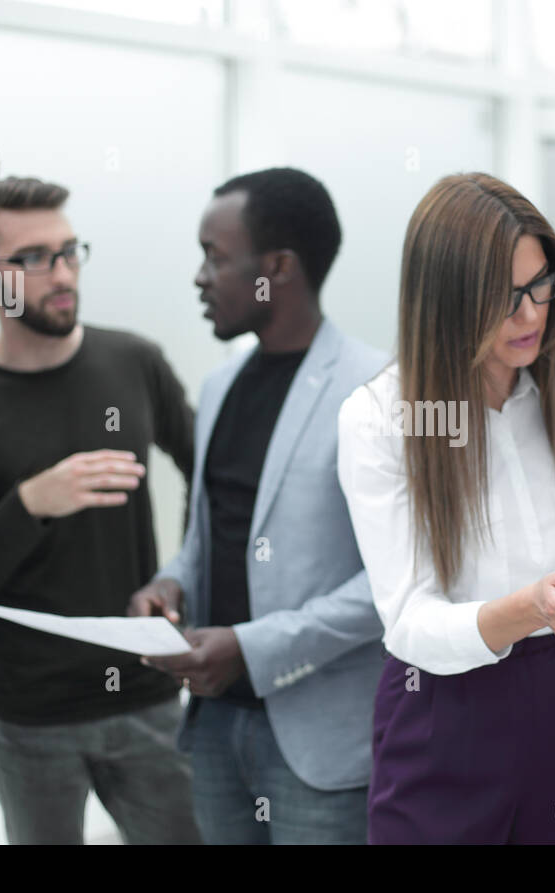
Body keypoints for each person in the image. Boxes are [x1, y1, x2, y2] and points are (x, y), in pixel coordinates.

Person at [337, 172, 555, 845]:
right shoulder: (380, 419)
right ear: (444, 298)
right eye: (506, 298)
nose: (533, 314)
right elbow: (408, 620)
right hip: (438, 709)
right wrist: (530, 607)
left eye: (542, 286)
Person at [0, 176, 201, 845]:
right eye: (34, 258)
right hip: (30, 715)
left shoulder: (134, 362)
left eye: (70, 250)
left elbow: (215, 482)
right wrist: (30, 503)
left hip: (148, 697)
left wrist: (180, 574)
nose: (62, 272)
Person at [132, 168, 386, 845]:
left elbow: (395, 582)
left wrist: (252, 646)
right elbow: (206, 533)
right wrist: (172, 580)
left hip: (320, 743)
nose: (199, 276)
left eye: (215, 257)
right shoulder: (218, 386)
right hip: (216, 728)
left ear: (276, 268)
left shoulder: (379, 389)